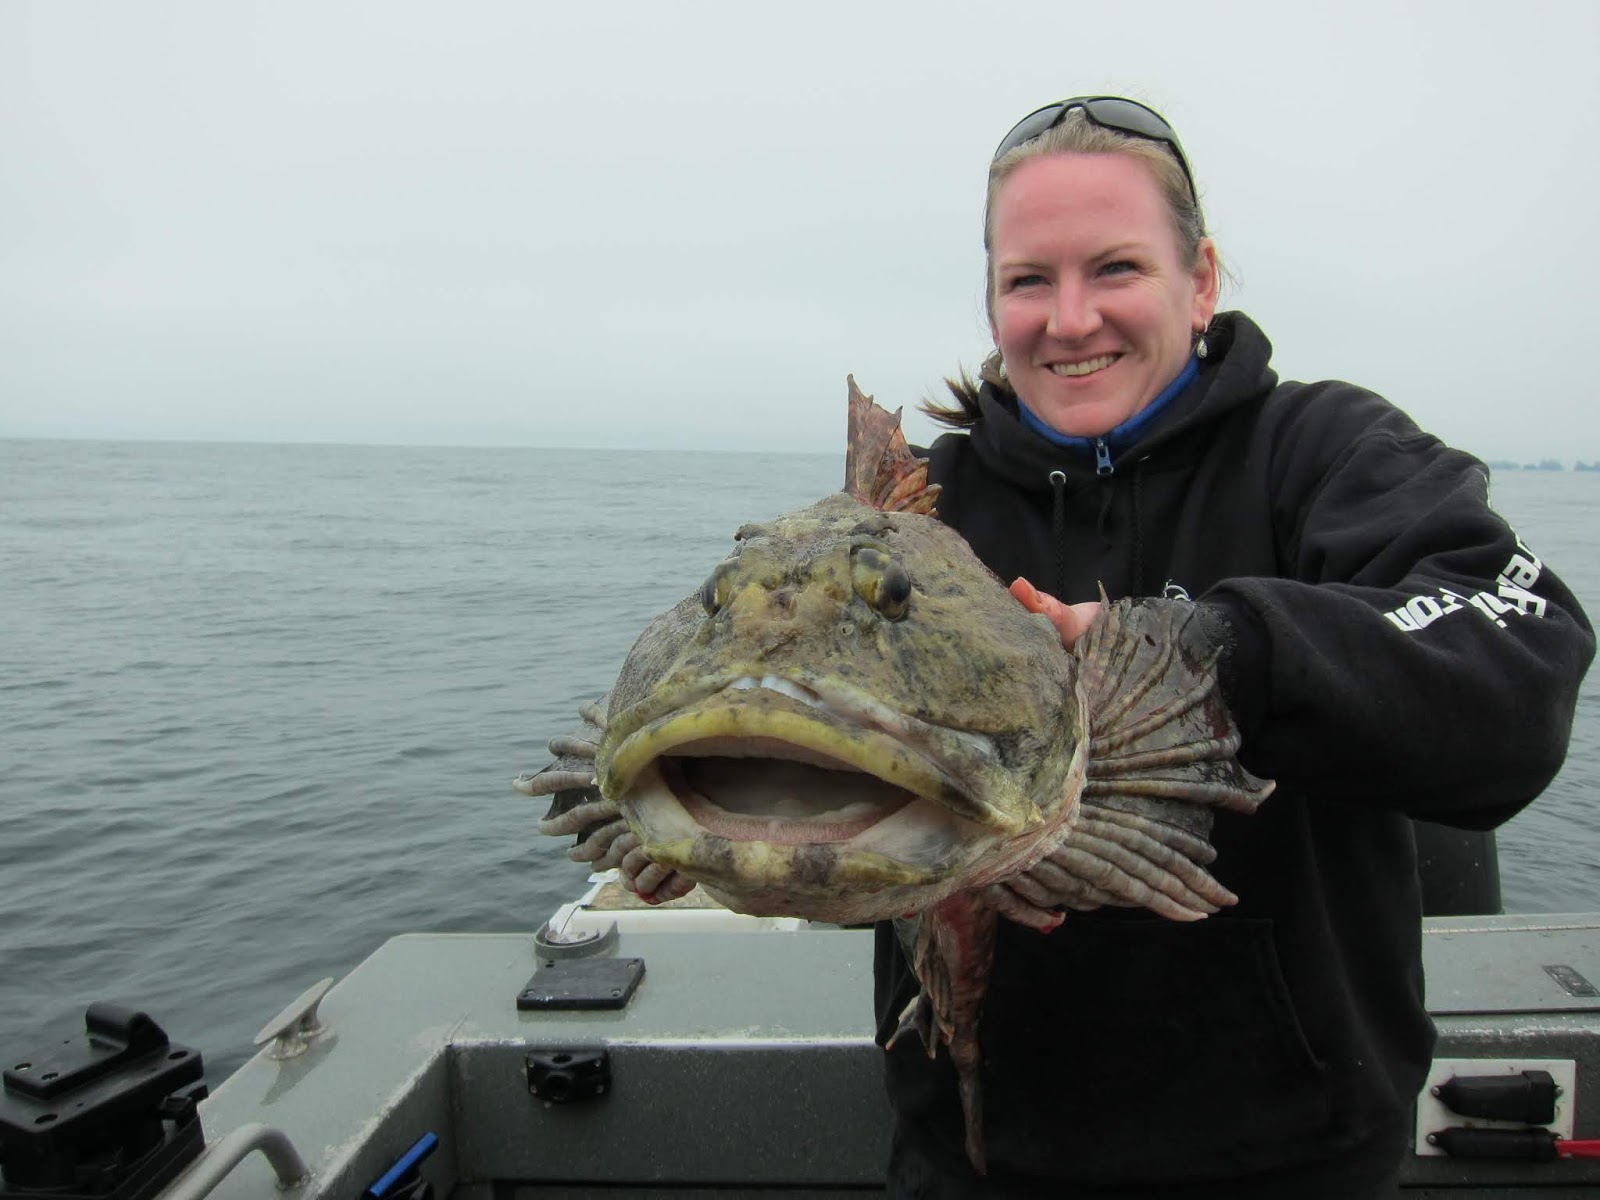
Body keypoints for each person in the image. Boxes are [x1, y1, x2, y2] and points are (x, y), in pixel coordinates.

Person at [873, 96, 1595, 1198]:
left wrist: (1213, 652)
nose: (1069, 320)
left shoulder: (1321, 452)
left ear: (1199, 278)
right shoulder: (918, 513)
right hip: (969, 1157)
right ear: (991, 301)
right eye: (1028, 280)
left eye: (1114, 268)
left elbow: (1519, 660)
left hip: (1290, 1157)